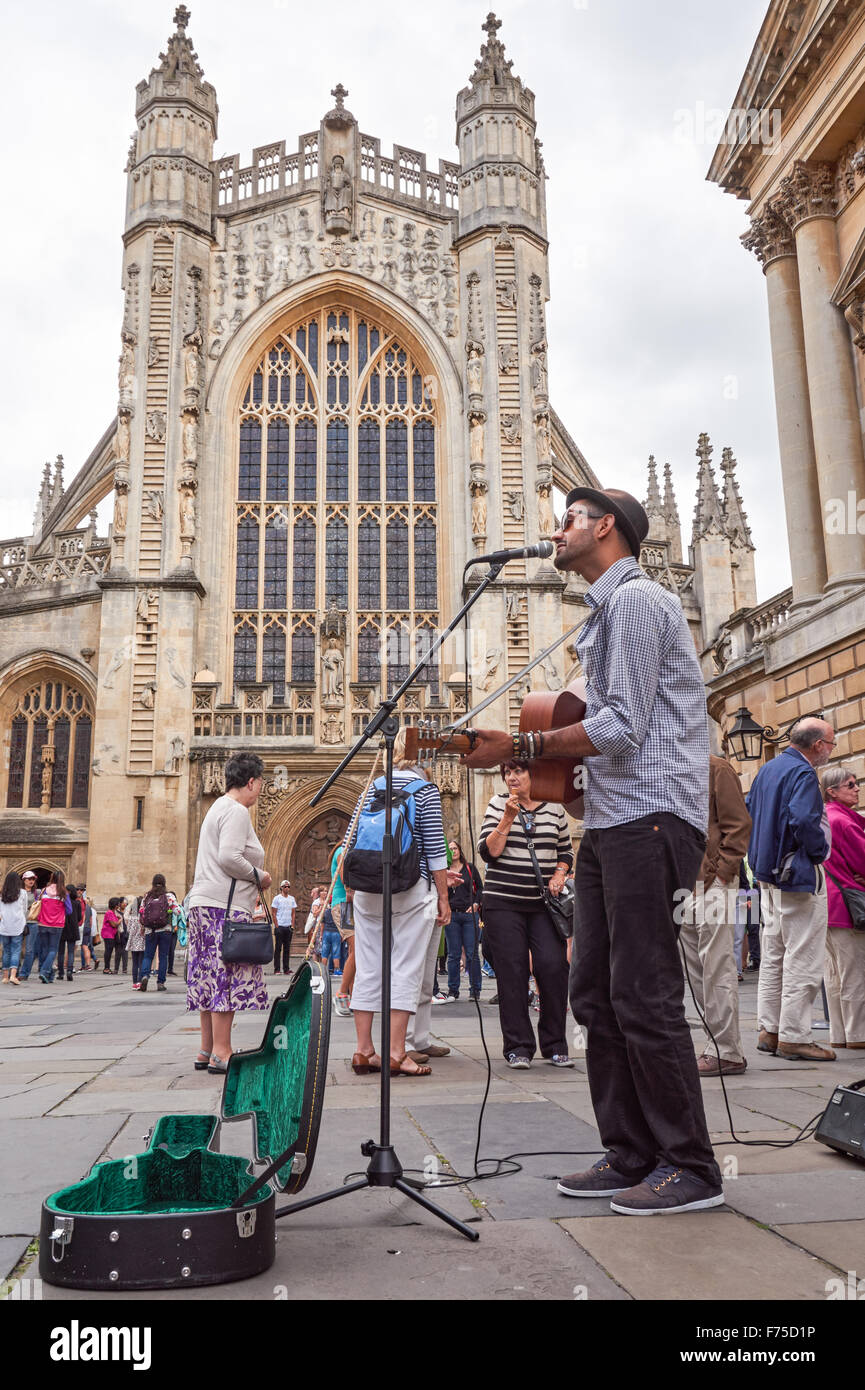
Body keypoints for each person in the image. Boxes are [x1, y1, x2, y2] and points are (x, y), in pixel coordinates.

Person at [462, 486, 724, 1215]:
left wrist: (519, 745)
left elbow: (621, 727)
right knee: (592, 994)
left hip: (652, 819)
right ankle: (631, 1151)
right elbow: (600, 747)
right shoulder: (602, 615)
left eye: (569, 519)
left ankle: (691, 1166)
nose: (556, 529)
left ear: (604, 528)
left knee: (644, 991)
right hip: (611, 821)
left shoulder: (637, 603)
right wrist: (555, 782)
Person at [346, 734, 450, 1076]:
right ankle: (395, 1052)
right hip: (409, 886)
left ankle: (364, 1050)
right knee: (406, 966)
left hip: (368, 887)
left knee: (370, 966)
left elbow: (350, 840)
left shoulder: (371, 788)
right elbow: (436, 850)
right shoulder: (425, 791)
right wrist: (443, 899)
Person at [748, 717, 835, 1062]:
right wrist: (818, 853)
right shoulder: (802, 773)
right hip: (795, 873)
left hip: (767, 873)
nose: (830, 750)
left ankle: (770, 1029)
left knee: (774, 953)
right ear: (817, 746)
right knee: (804, 956)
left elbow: (750, 813)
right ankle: (795, 1036)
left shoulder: (768, 770)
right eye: (831, 743)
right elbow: (803, 820)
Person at [476, 761, 573, 1064]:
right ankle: (518, 1047)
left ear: (535, 775)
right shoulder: (496, 804)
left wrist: (559, 874)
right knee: (513, 973)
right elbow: (488, 851)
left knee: (553, 967)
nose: (512, 777)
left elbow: (566, 851)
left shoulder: (555, 809)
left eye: (519, 771)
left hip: (543, 904)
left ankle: (555, 1044)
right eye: (507, 773)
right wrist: (507, 818)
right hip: (503, 903)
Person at [186, 752, 271, 1073]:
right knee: (224, 976)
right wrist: (260, 876)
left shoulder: (216, 808)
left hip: (204, 903)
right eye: (260, 782)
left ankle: (207, 1049)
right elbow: (230, 858)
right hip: (223, 906)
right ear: (250, 782)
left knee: (209, 975)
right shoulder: (235, 811)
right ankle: (223, 1050)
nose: (261, 788)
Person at [678, 755, 751, 1076]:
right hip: (679, 884)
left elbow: (738, 825)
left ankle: (727, 1050)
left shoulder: (716, 768)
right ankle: (715, 1045)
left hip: (712, 883)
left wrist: (721, 873)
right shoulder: (665, 767)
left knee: (717, 967)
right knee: (695, 973)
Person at [820, 766, 865, 1049]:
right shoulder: (844, 822)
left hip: (826, 903)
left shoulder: (823, 817)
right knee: (855, 972)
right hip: (848, 904)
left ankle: (839, 1035)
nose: (857, 788)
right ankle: (859, 1034)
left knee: (834, 974)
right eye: (851, 784)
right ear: (832, 791)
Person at [441, 840, 483, 1002]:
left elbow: (480, 888)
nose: (453, 851)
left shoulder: (469, 868)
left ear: (460, 850)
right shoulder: (444, 871)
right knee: (453, 954)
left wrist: (475, 904)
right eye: (450, 849)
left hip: (468, 915)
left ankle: (475, 990)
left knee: (472, 953)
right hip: (452, 915)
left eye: (455, 848)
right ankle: (453, 990)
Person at [138, 875, 177, 992]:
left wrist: (143, 926)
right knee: (163, 956)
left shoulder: (147, 896)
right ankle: (160, 982)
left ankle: (144, 976)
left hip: (150, 930)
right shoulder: (169, 896)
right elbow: (177, 911)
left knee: (148, 956)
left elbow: (141, 912)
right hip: (165, 930)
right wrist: (169, 911)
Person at [36, 872, 70, 984]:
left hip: (42, 923)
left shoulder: (44, 890)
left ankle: (49, 976)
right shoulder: (63, 892)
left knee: (45, 949)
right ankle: (44, 971)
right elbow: (69, 910)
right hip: (56, 924)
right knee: (52, 950)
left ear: (52, 878)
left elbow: (37, 903)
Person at [0, 871, 28, 985]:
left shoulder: (2, 894)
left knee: (6, 951)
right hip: (17, 925)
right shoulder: (22, 893)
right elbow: (25, 909)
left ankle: (5, 977)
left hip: (4, 926)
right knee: (16, 951)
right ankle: (13, 975)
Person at [271, 880, 296, 975]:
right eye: (285, 886)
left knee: (287, 948)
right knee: (278, 948)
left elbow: (293, 913)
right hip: (280, 925)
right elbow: (274, 913)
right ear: (281, 887)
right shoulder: (277, 899)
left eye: (288, 887)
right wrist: (276, 926)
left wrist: (292, 925)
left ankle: (286, 968)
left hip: (288, 926)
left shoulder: (292, 899)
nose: (287, 888)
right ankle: (276, 969)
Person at [59, 884, 82, 981]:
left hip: (62, 927)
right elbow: (79, 918)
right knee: (71, 951)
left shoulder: (62, 902)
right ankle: (69, 971)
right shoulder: (77, 903)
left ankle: (60, 973)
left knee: (61, 952)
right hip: (73, 928)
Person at [127, 893, 146, 989]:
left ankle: (134, 982)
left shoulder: (131, 918)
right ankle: (139, 980)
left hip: (133, 942)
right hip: (142, 942)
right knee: (141, 962)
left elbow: (128, 930)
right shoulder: (143, 918)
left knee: (134, 963)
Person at [100, 899, 122, 974]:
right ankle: (106, 968)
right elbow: (114, 924)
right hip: (108, 934)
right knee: (108, 951)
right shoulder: (109, 913)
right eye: (118, 904)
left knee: (110, 950)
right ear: (115, 905)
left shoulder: (113, 913)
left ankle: (107, 967)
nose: (119, 906)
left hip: (112, 934)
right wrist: (120, 920)